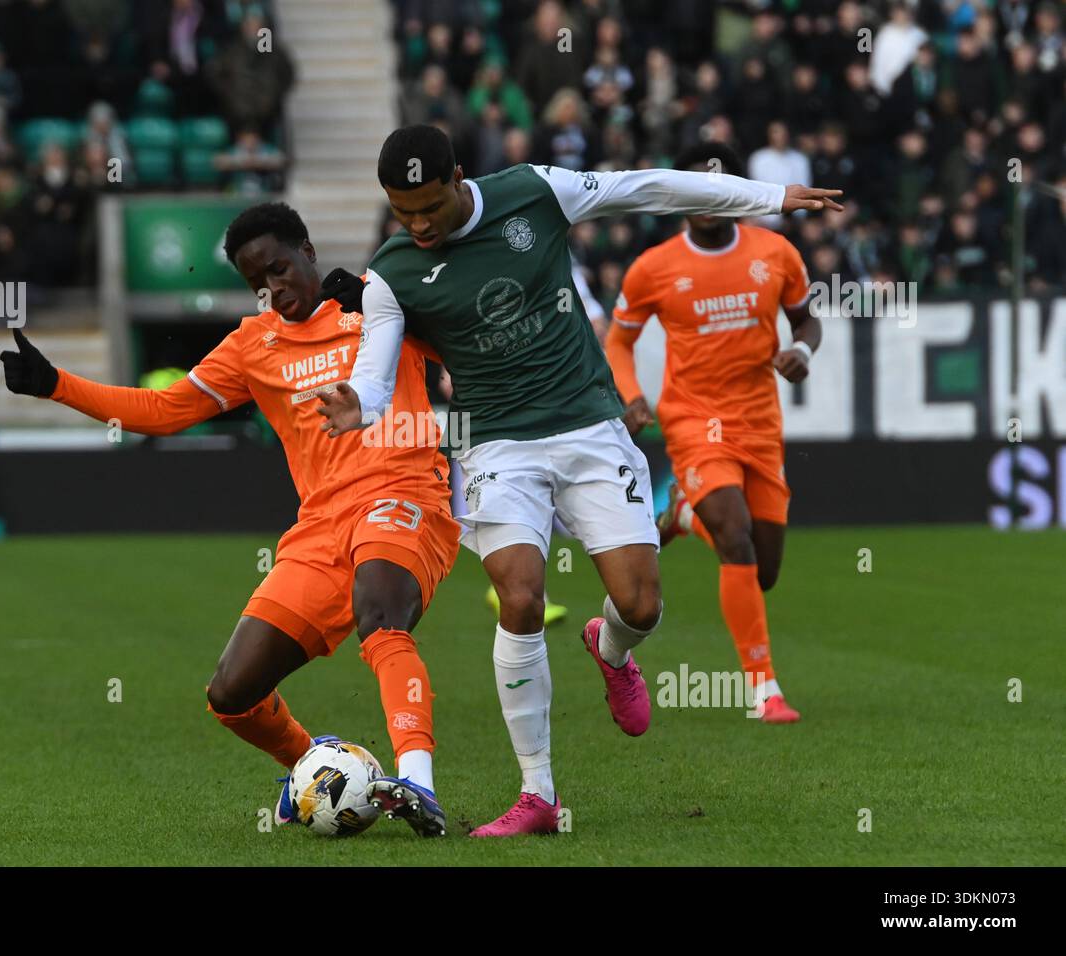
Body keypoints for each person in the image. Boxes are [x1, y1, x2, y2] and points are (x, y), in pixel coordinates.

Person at [317, 124, 842, 836]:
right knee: (521, 598)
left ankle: (611, 648)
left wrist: (769, 196)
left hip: (589, 425)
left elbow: (647, 187)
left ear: (458, 179)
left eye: (429, 209)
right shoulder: (391, 274)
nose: (417, 225)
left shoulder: (535, 192)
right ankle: (538, 795)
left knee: (642, 603)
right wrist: (359, 402)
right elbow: (375, 375)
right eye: (401, 211)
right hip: (497, 442)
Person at [0, 202, 460, 837]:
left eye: (278, 269)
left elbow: (460, 340)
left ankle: (418, 783)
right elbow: (163, 410)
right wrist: (56, 384)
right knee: (231, 694)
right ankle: (312, 769)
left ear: (308, 252)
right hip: (321, 525)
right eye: (257, 283)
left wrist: (384, 302)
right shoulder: (253, 344)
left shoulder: (374, 302)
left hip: (404, 492)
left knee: (380, 616)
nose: (273, 289)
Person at [606, 142, 819, 725]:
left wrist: (801, 347)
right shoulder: (653, 267)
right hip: (694, 419)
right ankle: (764, 690)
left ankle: (679, 515)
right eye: (693, 187)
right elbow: (618, 341)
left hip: (760, 420)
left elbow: (806, 319)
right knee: (735, 536)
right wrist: (632, 396)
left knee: (763, 569)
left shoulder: (775, 252)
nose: (704, 199)